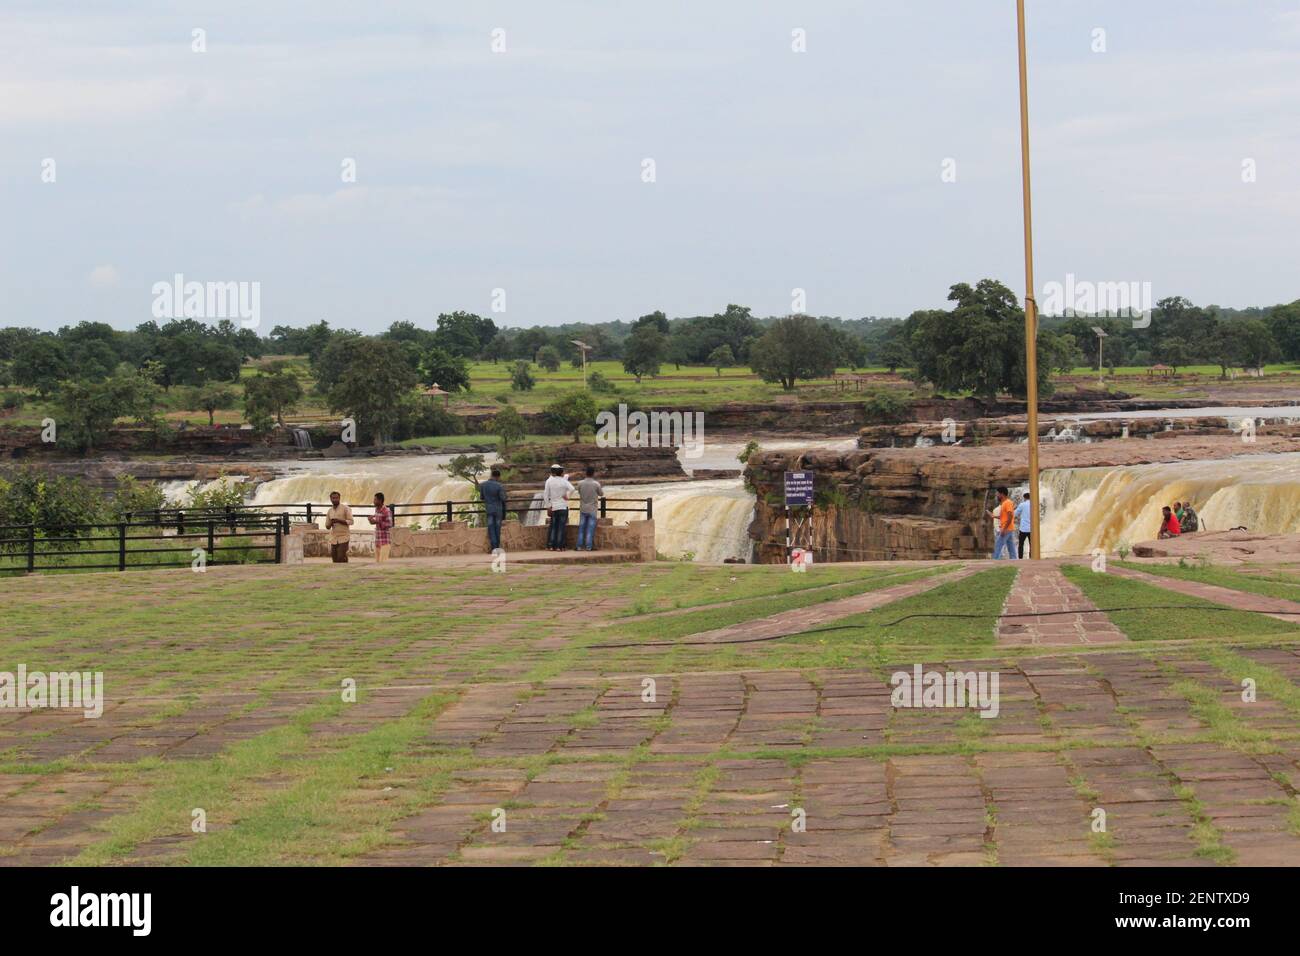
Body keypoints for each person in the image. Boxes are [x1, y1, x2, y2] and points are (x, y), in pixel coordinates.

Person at [543, 464, 575, 551]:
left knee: (553, 526)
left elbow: (546, 495)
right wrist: (567, 496)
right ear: (560, 472)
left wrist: (548, 506)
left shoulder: (549, 481)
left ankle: (551, 545)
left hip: (554, 507)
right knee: (561, 527)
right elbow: (572, 489)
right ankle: (559, 546)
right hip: (563, 507)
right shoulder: (564, 481)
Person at [575, 466, 602, 552]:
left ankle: (579, 546)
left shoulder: (580, 483)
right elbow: (601, 493)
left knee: (581, 528)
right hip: (592, 509)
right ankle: (588, 547)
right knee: (590, 529)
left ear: (586, 473)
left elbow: (579, 492)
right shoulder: (596, 484)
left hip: (583, 508)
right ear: (593, 473)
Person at [481, 467, 508, 552]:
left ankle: (493, 547)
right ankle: (497, 547)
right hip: (498, 510)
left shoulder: (483, 485)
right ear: (498, 477)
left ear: (491, 475)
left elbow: (482, 497)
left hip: (489, 509)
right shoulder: (499, 486)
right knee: (497, 528)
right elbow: (503, 498)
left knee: (491, 528)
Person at [987, 486, 1018, 560]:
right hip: (1008, 528)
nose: (996, 495)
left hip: (1006, 528)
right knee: (1011, 547)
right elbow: (1005, 517)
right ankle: (1014, 559)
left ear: (1002, 494)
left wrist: (1004, 528)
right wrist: (994, 516)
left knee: (998, 545)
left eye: (997, 493)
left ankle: (995, 560)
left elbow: (1010, 516)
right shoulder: (1004, 503)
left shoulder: (1008, 503)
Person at [325, 491, 352, 563]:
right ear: (330, 499)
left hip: (344, 537)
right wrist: (331, 522)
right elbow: (327, 526)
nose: (335, 500)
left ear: (339, 498)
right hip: (334, 538)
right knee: (334, 558)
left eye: (336, 498)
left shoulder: (345, 508)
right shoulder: (329, 511)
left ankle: (345, 566)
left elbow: (351, 521)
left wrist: (339, 520)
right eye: (333, 498)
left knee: (340, 556)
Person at [368, 492, 393, 562]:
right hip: (378, 541)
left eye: (375, 500)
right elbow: (376, 522)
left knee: (383, 563)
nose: (373, 501)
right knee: (377, 563)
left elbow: (390, 524)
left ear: (380, 500)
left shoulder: (386, 511)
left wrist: (377, 521)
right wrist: (371, 520)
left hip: (385, 542)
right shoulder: (376, 509)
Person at [1014, 491, 1032, 560]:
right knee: (1032, 545)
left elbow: (1015, 514)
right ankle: (1031, 557)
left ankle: (1020, 558)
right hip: (1032, 528)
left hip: (1023, 528)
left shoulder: (1022, 505)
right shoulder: (1034, 504)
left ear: (1024, 498)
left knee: (1021, 544)